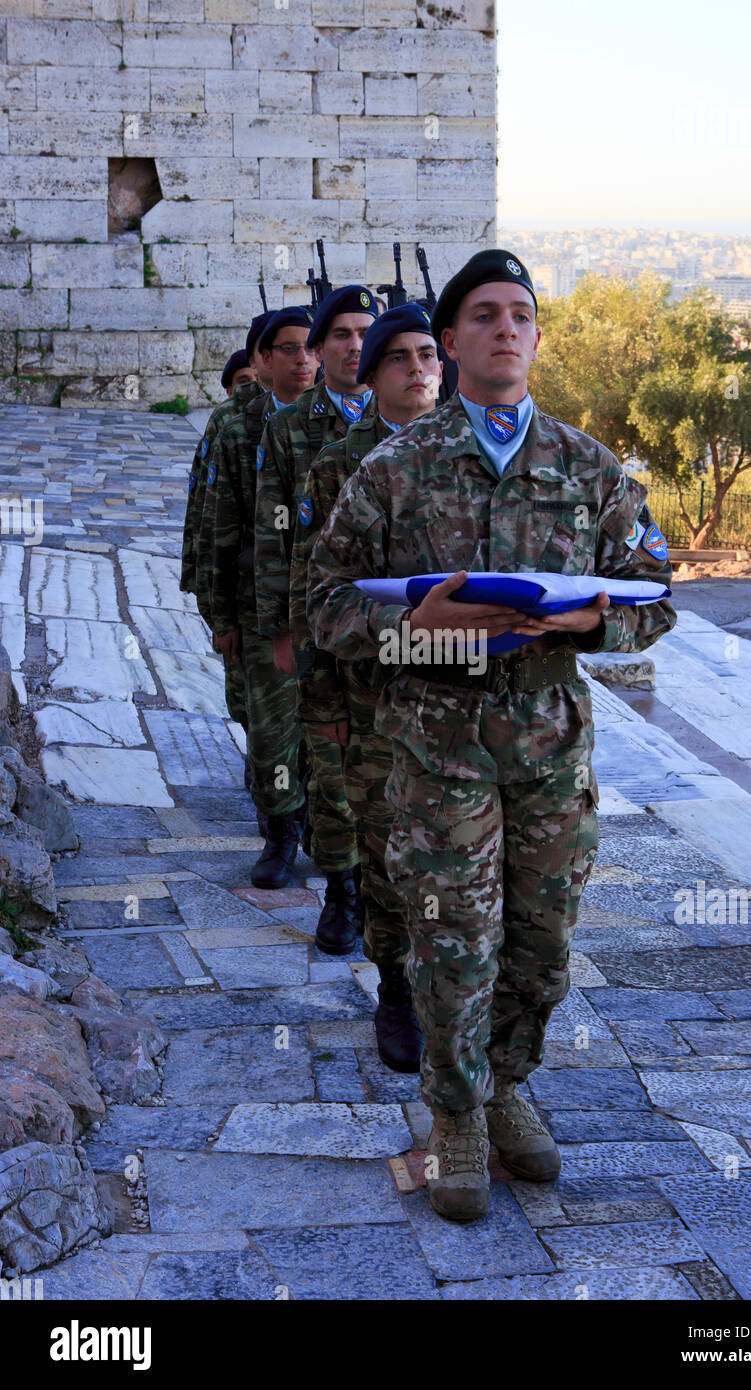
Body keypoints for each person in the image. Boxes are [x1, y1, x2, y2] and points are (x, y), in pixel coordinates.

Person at [306, 249, 676, 1222]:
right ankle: (456, 1110)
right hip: (437, 748)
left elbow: (654, 596)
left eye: (519, 313)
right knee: (452, 942)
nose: (503, 327)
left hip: (550, 746)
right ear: (454, 338)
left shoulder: (590, 468)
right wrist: (405, 625)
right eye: (483, 314)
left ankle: (507, 1080)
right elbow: (322, 601)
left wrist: (594, 624)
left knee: (541, 944)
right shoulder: (396, 467)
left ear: (537, 338)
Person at [289, 302, 441, 1070]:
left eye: (429, 355)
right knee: (386, 857)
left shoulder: (467, 458)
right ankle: (398, 993)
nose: (419, 370)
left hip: (464, 704)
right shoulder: (337, 466)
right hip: (372, 697)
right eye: (401, 357)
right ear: (374, 372)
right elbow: (311, 594)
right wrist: (323, 710)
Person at [254, 286, 378, 944]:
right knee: (329, 766)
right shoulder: (290, 429)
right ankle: (344, 889)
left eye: (365, 333)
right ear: (321, 348)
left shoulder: (417, 418)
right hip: (321, 624)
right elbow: (274, 537)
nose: (354, 345)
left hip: (401, 625)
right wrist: (279, 629)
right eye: (341, 335)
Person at [204, 307, 318, 887]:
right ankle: (280, 831)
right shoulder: (235, 425)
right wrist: (218, 612)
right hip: (257, 607)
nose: (305, 360)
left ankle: (320, 826)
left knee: (326, 726)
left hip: (325, 607)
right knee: (269, 729)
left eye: (311, 348)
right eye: (291, 349)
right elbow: (214, 523)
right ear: (262, 359)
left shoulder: (341, 422)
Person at [180, 312, 273, 737]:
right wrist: (210, 599)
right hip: (244, 596)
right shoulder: (230, 424)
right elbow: (207, 512)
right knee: (248, 704)